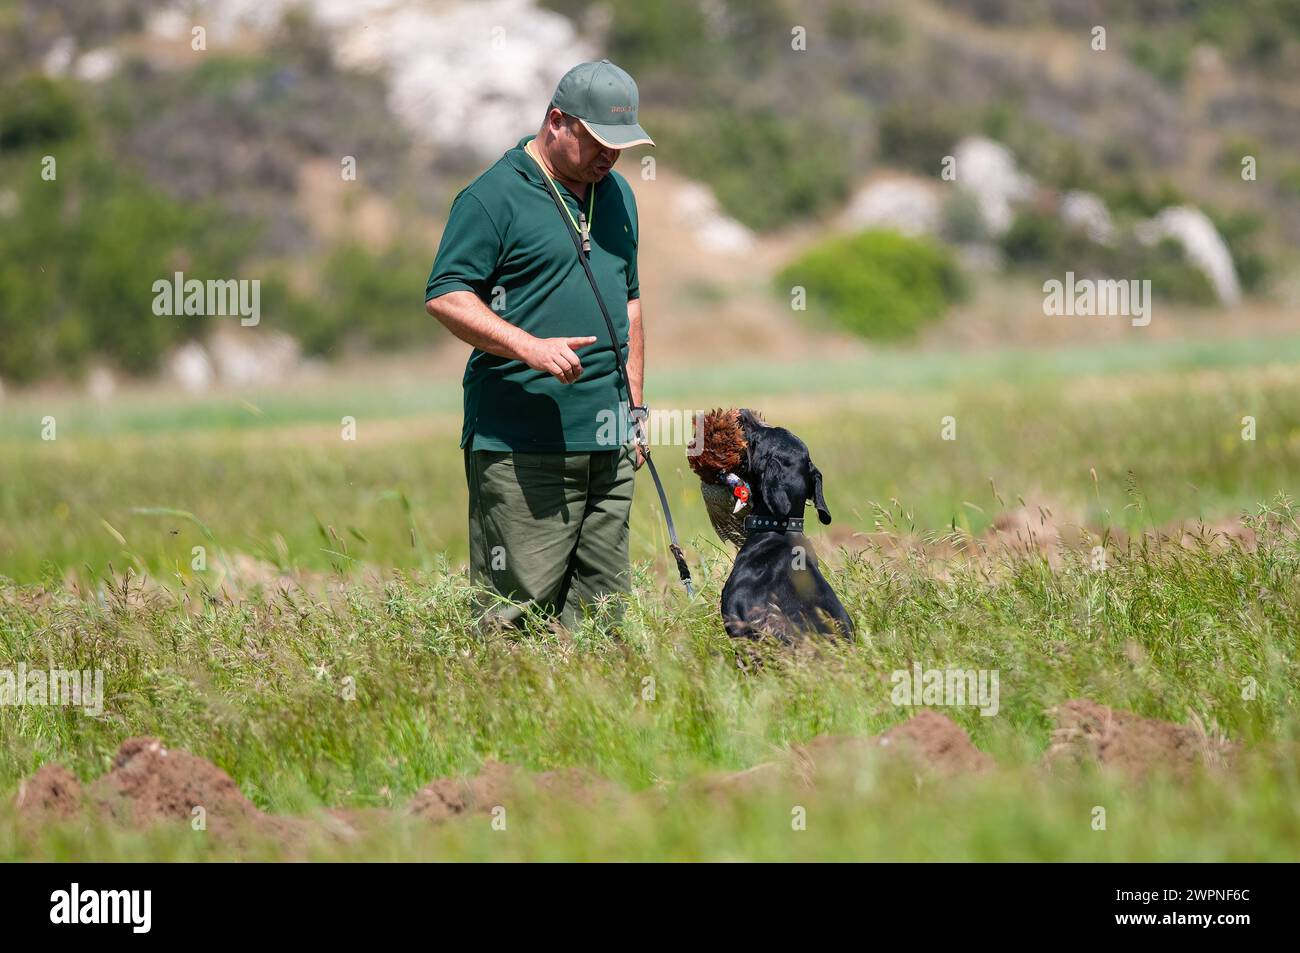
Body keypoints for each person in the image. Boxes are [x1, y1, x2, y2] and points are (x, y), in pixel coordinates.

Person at [424, 59, 654, 630]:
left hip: (609, 439)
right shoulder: (491, 197)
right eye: (599, 142)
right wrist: (528, 346)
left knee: (605, 617)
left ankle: (591, 715)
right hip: (521, 443)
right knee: (514, 615)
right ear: (557, 121)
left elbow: (630, 304)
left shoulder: (618, 195)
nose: (612, 157)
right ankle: (508, 711)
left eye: (621, 146)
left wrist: (637, 412)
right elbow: (446, 296)